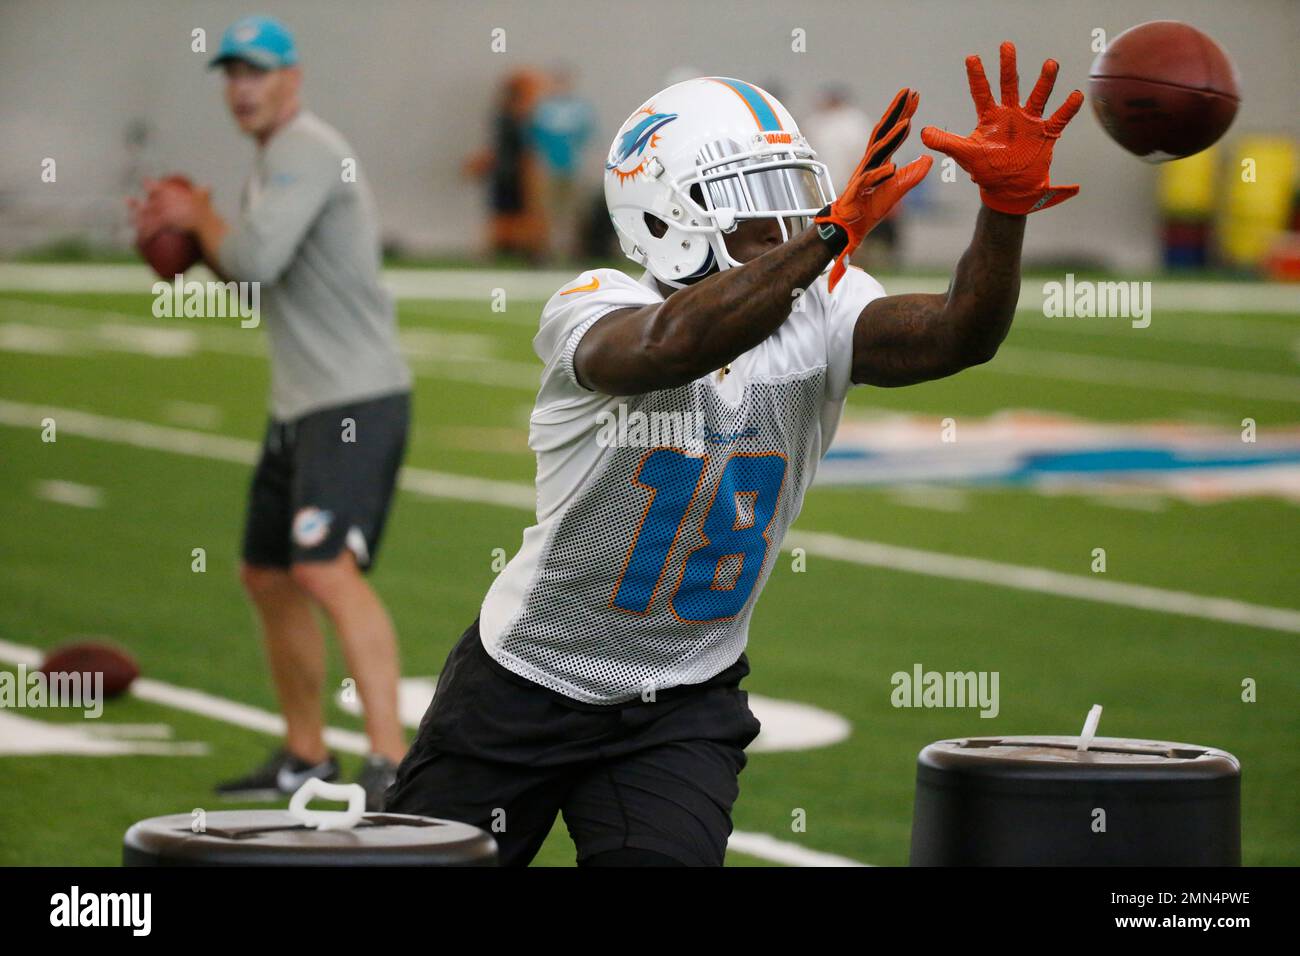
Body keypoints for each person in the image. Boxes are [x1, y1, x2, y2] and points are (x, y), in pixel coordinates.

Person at [386, 44, 1082, 865]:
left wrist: (1004, 209)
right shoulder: (595, 303)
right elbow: (671, 344)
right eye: (753, 198)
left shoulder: (821, 303)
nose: (782, 220)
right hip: (525, 684)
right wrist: (825, 239)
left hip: (681, 701)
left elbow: (957, 335)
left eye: (793, 193)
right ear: (659, 214)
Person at [131, 15, 412, 809]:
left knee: (325, 568)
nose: (241, 87)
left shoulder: (307, 150)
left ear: (293, 78)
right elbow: (248, 276)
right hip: (303, 402)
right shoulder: (270, 162)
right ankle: (304, 754)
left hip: (354, 399)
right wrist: (181, 242)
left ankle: (390, 759)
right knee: (265, 572)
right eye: (231, 74)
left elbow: (254, 259)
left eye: (256, 72)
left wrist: (196, 219)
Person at [530, 67, 597, 263]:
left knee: (575, 211)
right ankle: (546, 251)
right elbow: (536, 138)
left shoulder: (579, 109)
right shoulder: (544, 109)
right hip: (550, 167)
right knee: (548, 211)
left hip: (573, 167)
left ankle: (575, 251)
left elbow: (586, 137)